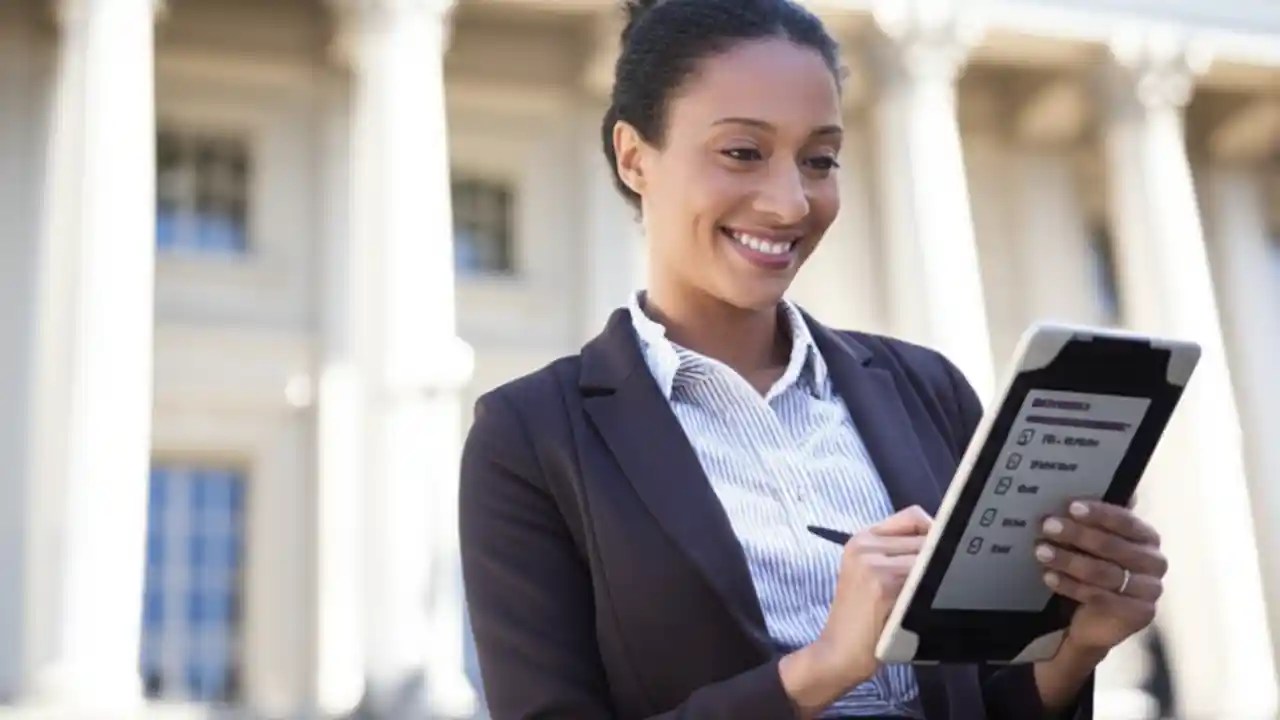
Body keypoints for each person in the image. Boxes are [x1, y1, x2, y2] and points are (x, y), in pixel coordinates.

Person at [458, 1, 1169, 718]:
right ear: (635, 156)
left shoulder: (927, 390)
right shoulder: (531, 436)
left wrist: (1078, 645)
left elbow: (984, 703)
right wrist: (822, 668)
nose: (789, 202)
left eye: (819, 160)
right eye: (742, 152)